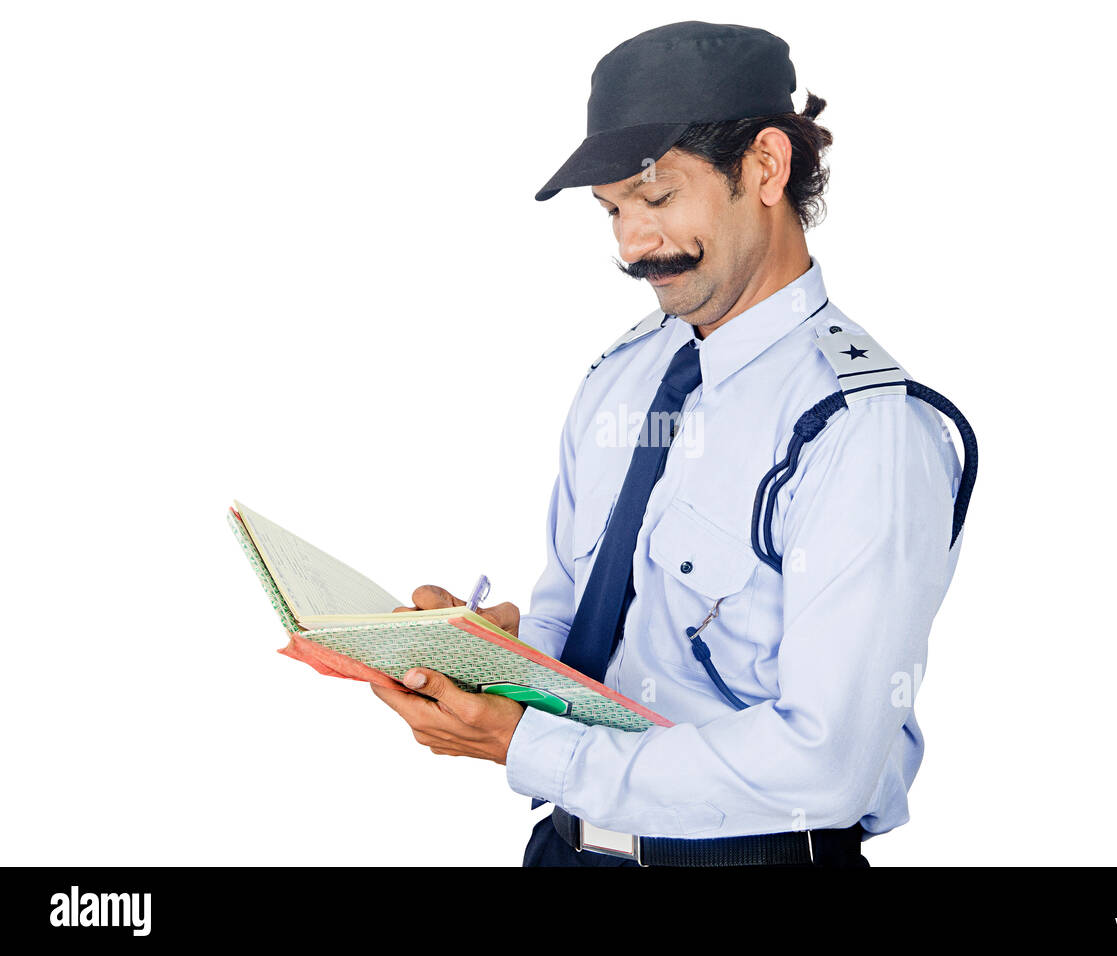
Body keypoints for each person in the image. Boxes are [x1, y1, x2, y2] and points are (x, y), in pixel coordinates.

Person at [370, 20, 974, 868]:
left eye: (656, 200)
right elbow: (574, 613)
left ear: (766, 167)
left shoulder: (867, 430)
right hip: (564, 850)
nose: (631, 245)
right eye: (612, 210)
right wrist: (487, 662)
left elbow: (827, 761)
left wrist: (527, 747)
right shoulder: (621, 377)